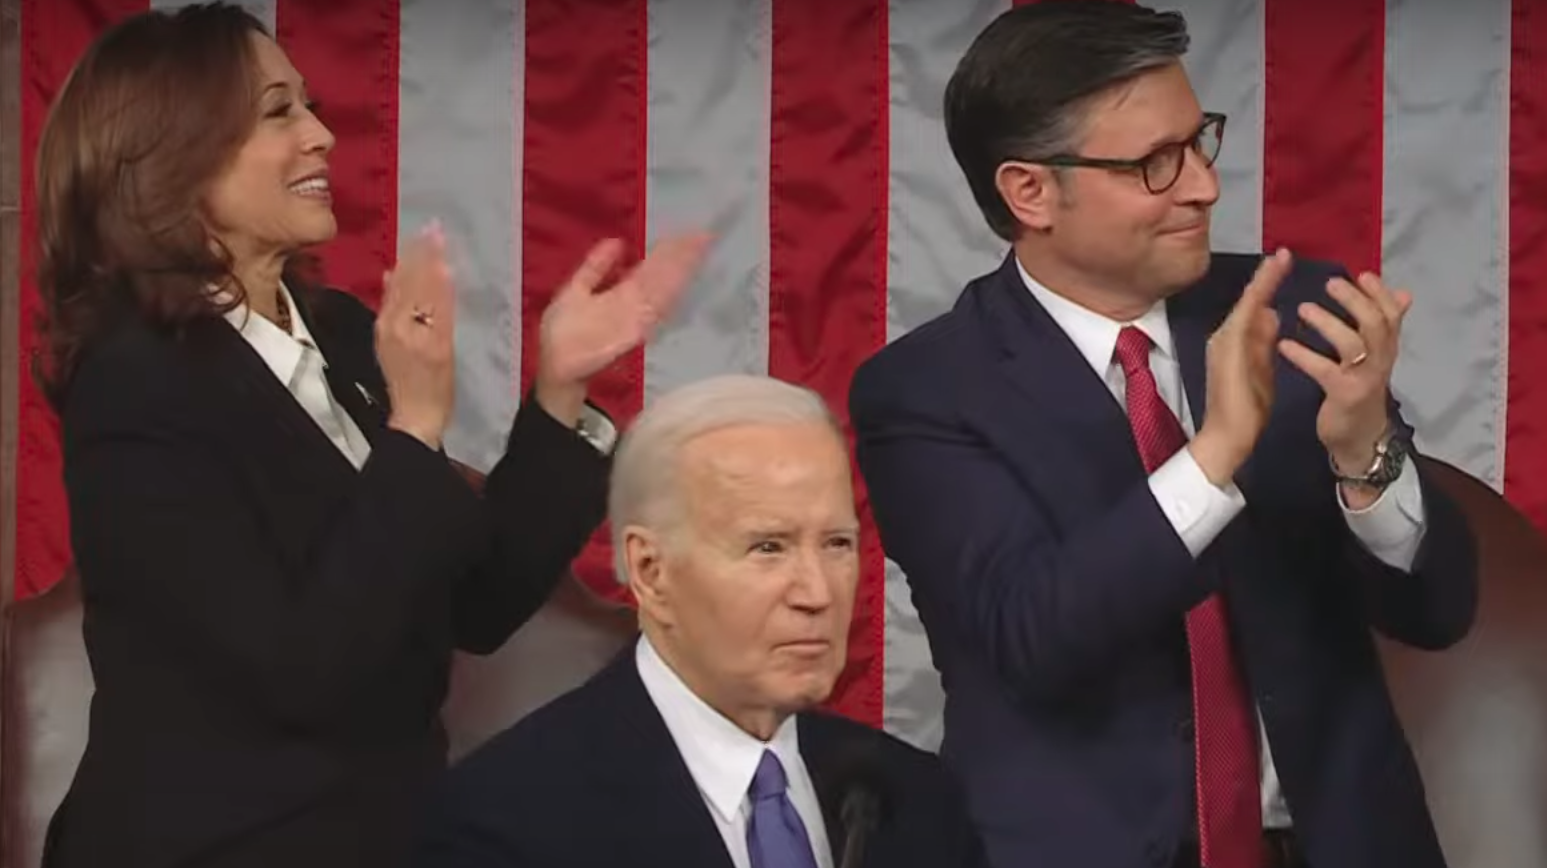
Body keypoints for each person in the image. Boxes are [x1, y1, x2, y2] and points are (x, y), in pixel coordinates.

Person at [32, 5, 708, 867]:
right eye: (278, 112)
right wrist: (413, 426)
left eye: (309, 106)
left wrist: (559, 389)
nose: (320, 135)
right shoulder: (134, 384)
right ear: (172, 155)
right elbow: (298, 670)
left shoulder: (344, 334)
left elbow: (477, 603)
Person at [848, 3, 1478, 868]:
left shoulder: (1291, 313)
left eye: (1198, 142)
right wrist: (1212, 455)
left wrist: (1364, 453)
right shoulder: (926, 391)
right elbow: (1032, 638)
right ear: (1029, 192)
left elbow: (1437, 611)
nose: (1202, 187)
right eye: (1154, 163)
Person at [414, 374, 988, 868]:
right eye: (768, 547)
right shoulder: (507, 820)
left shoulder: (914, 800)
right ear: (651, 571)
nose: (817, 594)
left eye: (837, 543)